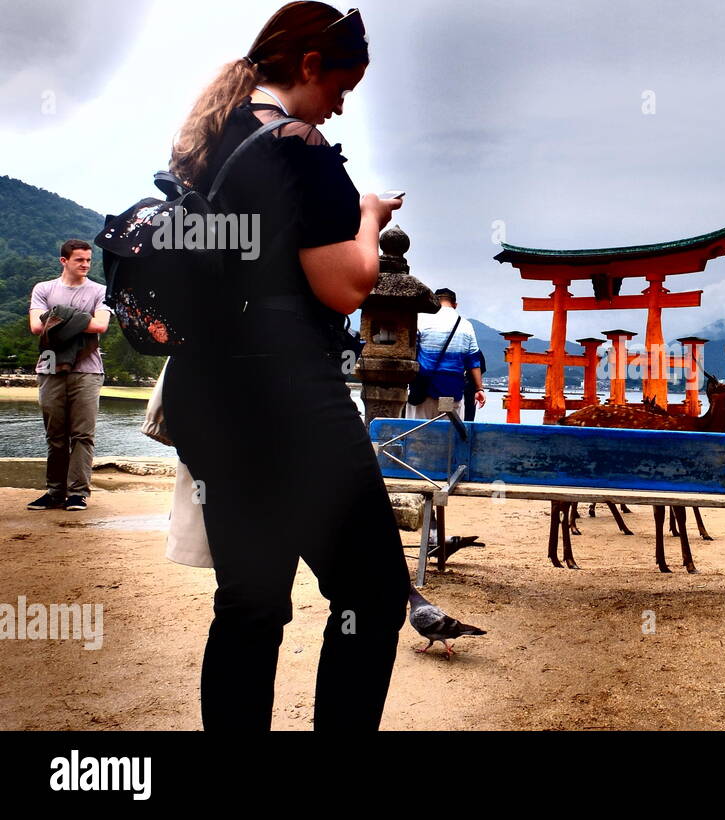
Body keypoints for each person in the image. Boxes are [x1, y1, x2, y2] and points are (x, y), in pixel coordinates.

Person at [160, 2, 410, 730]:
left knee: (252, 601)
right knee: (370, 590)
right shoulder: (299, 145)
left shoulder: (213, 140)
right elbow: (348, 284)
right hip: (289, 393)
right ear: (308, 66)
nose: (339, 105)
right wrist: (367, 216)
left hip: (209, 394)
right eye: (342, 85)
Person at [26, 239, 111, 512]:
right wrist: (79, 318)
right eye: (80, 260)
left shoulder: (100, 290)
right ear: (64, 261)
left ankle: (77, 494)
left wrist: (59, 316)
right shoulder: (44, 289)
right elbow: (36, 328)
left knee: (83, 435)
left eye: (88, 260)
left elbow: (100, 325)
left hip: (87, 368)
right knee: (56, 436)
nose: (86, 265)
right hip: (50, 365)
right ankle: (54, 492)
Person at [406, 288, 486, 419]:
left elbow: (410, 350)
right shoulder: (466, 325)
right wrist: (479, 389)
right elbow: (474, 361)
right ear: (455, 304)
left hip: (423, 390)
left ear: (434, 301)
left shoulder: (421, 319)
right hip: (452, 391)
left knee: (418, 435)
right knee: (449, 436)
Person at [462, 348, 488, 421]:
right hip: (470, 391)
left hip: (443, 390)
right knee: (467, 420)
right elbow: (480, 368)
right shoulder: (473, 350)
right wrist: (478, 389)